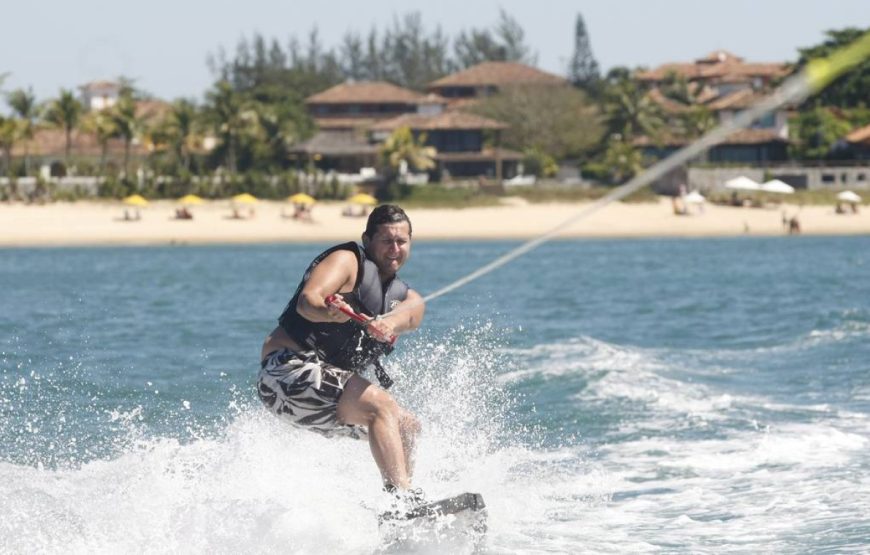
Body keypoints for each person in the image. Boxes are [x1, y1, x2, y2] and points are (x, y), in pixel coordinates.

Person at [258, 204, 426, 502]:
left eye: (402, 241)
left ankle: (403, 511)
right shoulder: (347, 261)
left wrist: (387, 322)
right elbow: (307, 301)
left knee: (407, 426)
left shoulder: (406, 296)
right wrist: (328, 313)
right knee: (381, 405)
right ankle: (400, 500)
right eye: (387, 241)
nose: (394, 249)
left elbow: (411, 315)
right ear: (367, 239)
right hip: (285, 373)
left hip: (322, 398)